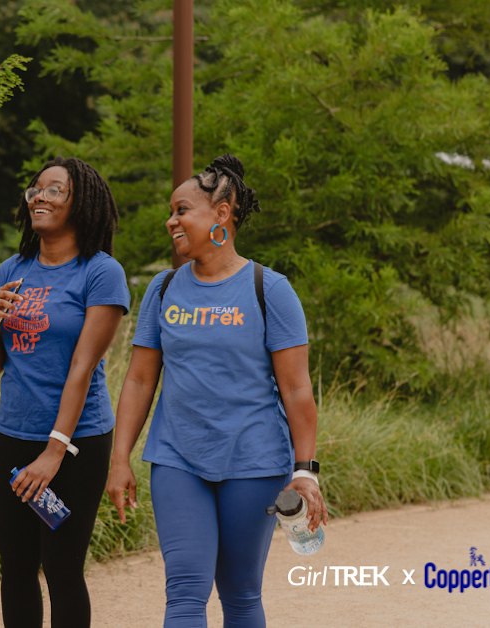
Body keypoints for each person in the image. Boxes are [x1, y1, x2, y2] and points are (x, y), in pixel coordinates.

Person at [105, 154, 328, 627]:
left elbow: (296, 389)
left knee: (241, 593)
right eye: (172, 212)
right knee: (184, 591)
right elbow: (141, 380)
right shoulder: (163, 290)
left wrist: (305, 471)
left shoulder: (269, 288)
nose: (171, 221)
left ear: (221, 214)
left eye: (182, 210)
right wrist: (119, 456)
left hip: (254, 460)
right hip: (177, 457)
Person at [0, 156, 130, 628]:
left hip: (76, 442)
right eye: (36, 190)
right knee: (16, 570)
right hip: (12, 435)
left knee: (62, 570)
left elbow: (82, 369)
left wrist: (53, 452)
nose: (40, 197)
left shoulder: (101, 273)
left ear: (80, 203)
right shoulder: (13, 267)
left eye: (55, 190)